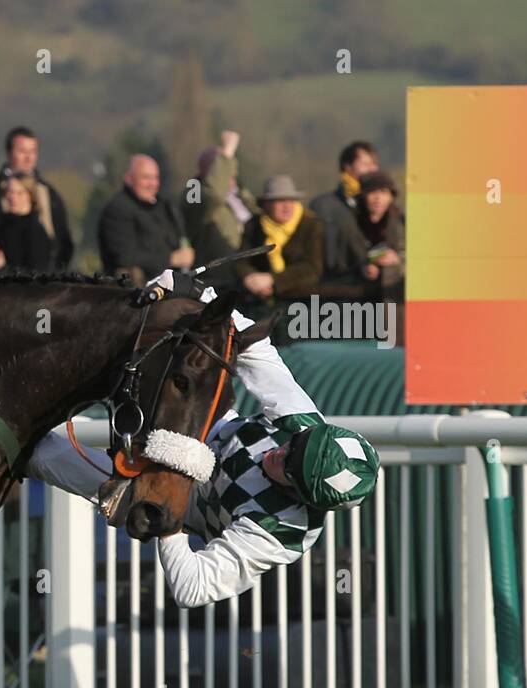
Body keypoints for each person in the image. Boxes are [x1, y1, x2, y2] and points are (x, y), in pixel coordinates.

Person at [26, 268, 380, 608]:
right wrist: (198, 292)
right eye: (294, 445)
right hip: (205, 431)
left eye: (289, 466)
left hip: (180, 500)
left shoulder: (283, 532)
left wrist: (168, 524)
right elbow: (256, 349)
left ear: (304, 498)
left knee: (43, 453)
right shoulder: (304, 425)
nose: (280, 452)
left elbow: (191, 588)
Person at [0, 126, 72, 275]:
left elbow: (64, 242)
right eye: (22, 151)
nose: (28, 157)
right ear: (9, 153)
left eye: (33, 151)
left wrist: (53, 275)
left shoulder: (50, 195)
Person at [98, 154, 192, 283]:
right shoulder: (117, 210)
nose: (153, 184)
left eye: (156, 178)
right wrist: (171, 259)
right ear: (128, 179)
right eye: (146, 178)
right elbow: (125, 257)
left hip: (171, 283)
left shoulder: (165, 206)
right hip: (135, 292)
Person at [233, 175, 323, 310]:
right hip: (261, 301)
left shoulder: (311, 225)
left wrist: (272, 280)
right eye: (280, 201)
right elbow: (241, 261)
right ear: (266, 204)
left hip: (303, 303)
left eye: (291, 200)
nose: (287, 206)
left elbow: (313, 268)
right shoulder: (254, 226)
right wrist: (250, 279)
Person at [183, 131, 257, 279]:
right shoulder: (194, 191)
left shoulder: (238, 192)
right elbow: (214, 195)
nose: (231, 172)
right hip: (215, 274)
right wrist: (227, 152)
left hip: (246, 270)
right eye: (223, 166)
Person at [309, 140, 379, 285]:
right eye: (366, 164)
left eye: (374, 164)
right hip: (334, 288)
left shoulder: (382, 204)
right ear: (347, 167)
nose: (373, 169)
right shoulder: (323, 206)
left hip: (372, 287)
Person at [353, 170, 404, 297]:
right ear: (363, 196)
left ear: (391, 197)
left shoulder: (402, 224)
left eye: (384, 192)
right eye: (372, 192)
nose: (378, 198)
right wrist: (363, 266)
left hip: (394, 298)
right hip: (359, 300)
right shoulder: (351, 224)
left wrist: (398, 260)